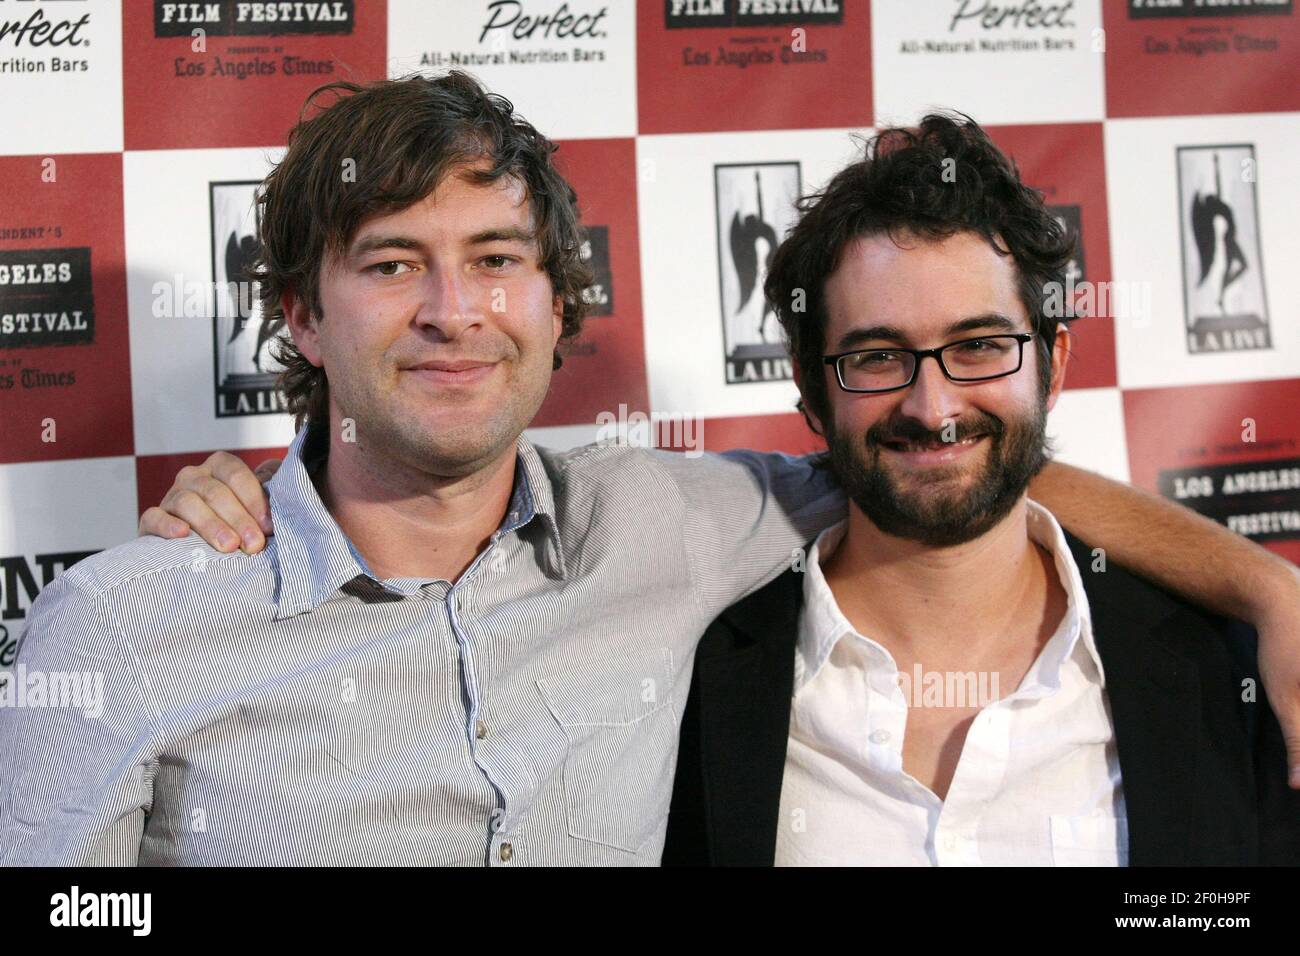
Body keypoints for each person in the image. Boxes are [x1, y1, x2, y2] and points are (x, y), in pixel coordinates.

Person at [8, 74, 1297, 867]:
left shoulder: (673, 525)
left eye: (499, 258)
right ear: (299, 313)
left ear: (559, 305)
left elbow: (941, 459)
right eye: (394, 261)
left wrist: (1267, 589)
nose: (455, 308)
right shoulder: (128, 624)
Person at [662, 116, 1300, 865]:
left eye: (980, 347)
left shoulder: (1232, 673)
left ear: (1053, 366)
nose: (933, 408)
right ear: (809, 388)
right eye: (876, 356)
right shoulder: (692, 685)